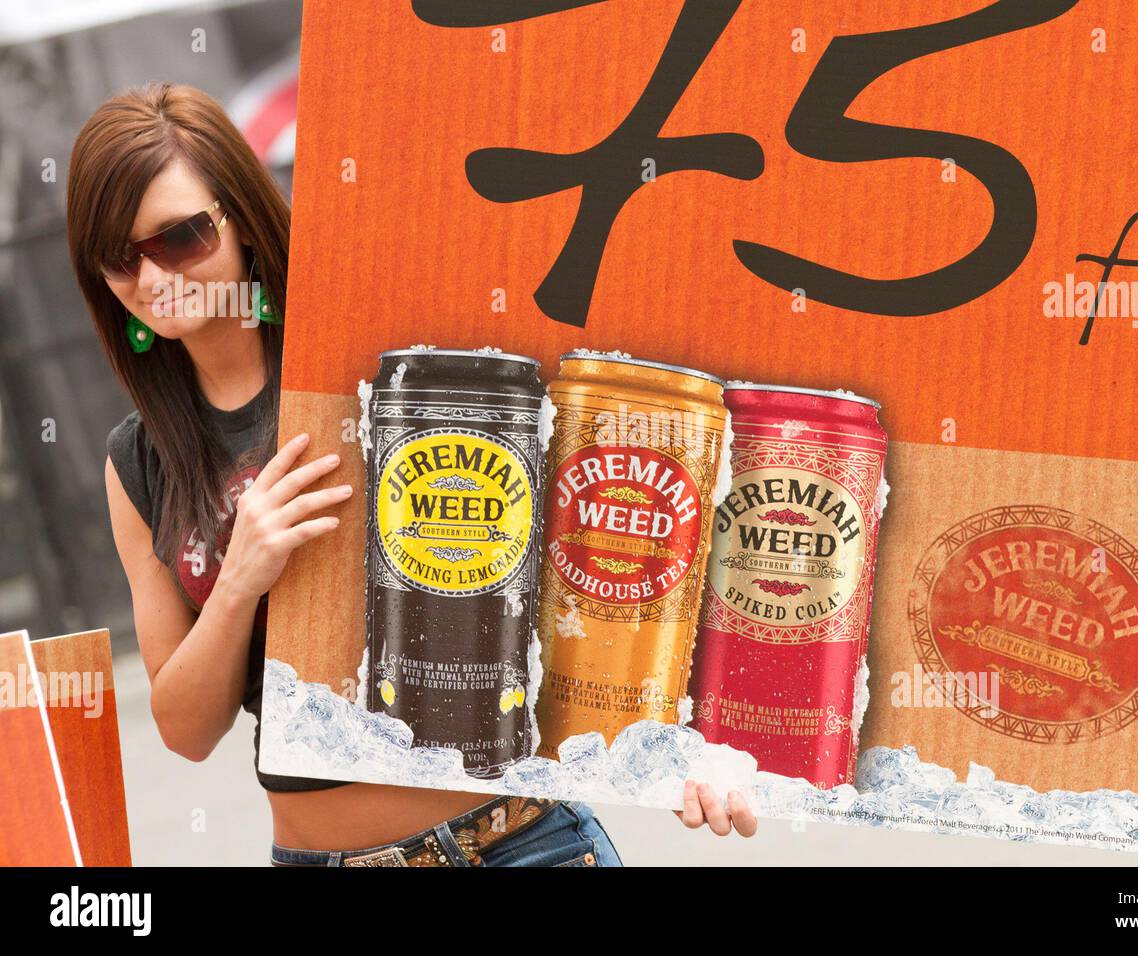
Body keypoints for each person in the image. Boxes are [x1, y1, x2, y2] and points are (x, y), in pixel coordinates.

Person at [67, 81, 756, 867]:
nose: (154, 276)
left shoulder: (389, 364)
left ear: (242, 220)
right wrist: (240, 579)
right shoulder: (141, 463)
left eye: (182, 238)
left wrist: (686, 738)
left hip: (520, 842)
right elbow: (186, 730)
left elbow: (603, 526)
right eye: (122, 258)